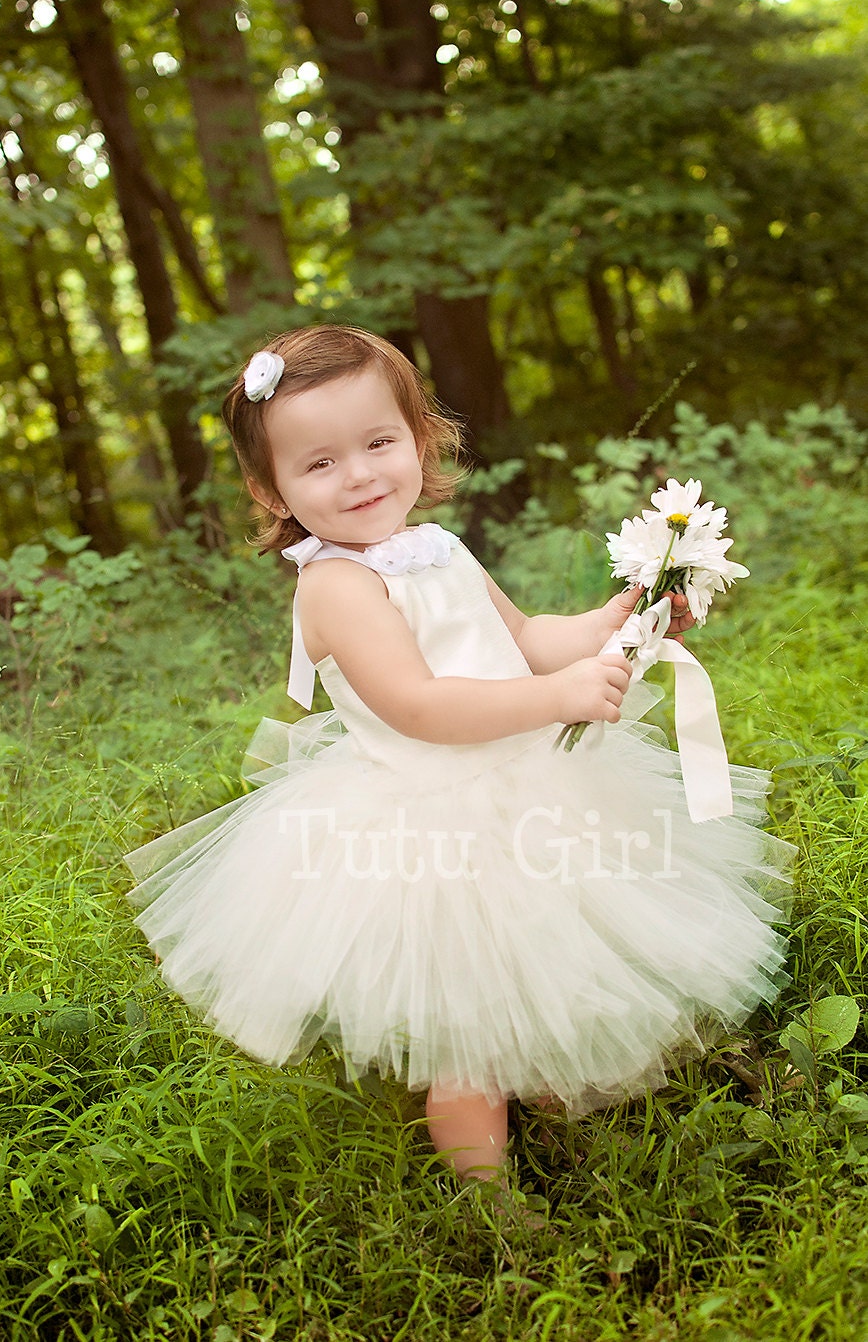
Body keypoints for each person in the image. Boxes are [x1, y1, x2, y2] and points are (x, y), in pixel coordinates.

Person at [125, 324, 793, 1184]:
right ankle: (485, 1200)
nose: (361, 474)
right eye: (320, 463)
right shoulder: (336, 586)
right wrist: (555, 699)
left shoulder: (439, 549)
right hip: (428, 821)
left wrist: (620, 619)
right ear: (270, 487)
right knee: (465, 1022)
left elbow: (526, 638)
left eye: (378, 442)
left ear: (420, 438)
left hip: (535, 788)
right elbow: (419, 705)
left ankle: (556, 1077)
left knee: (563, 952)